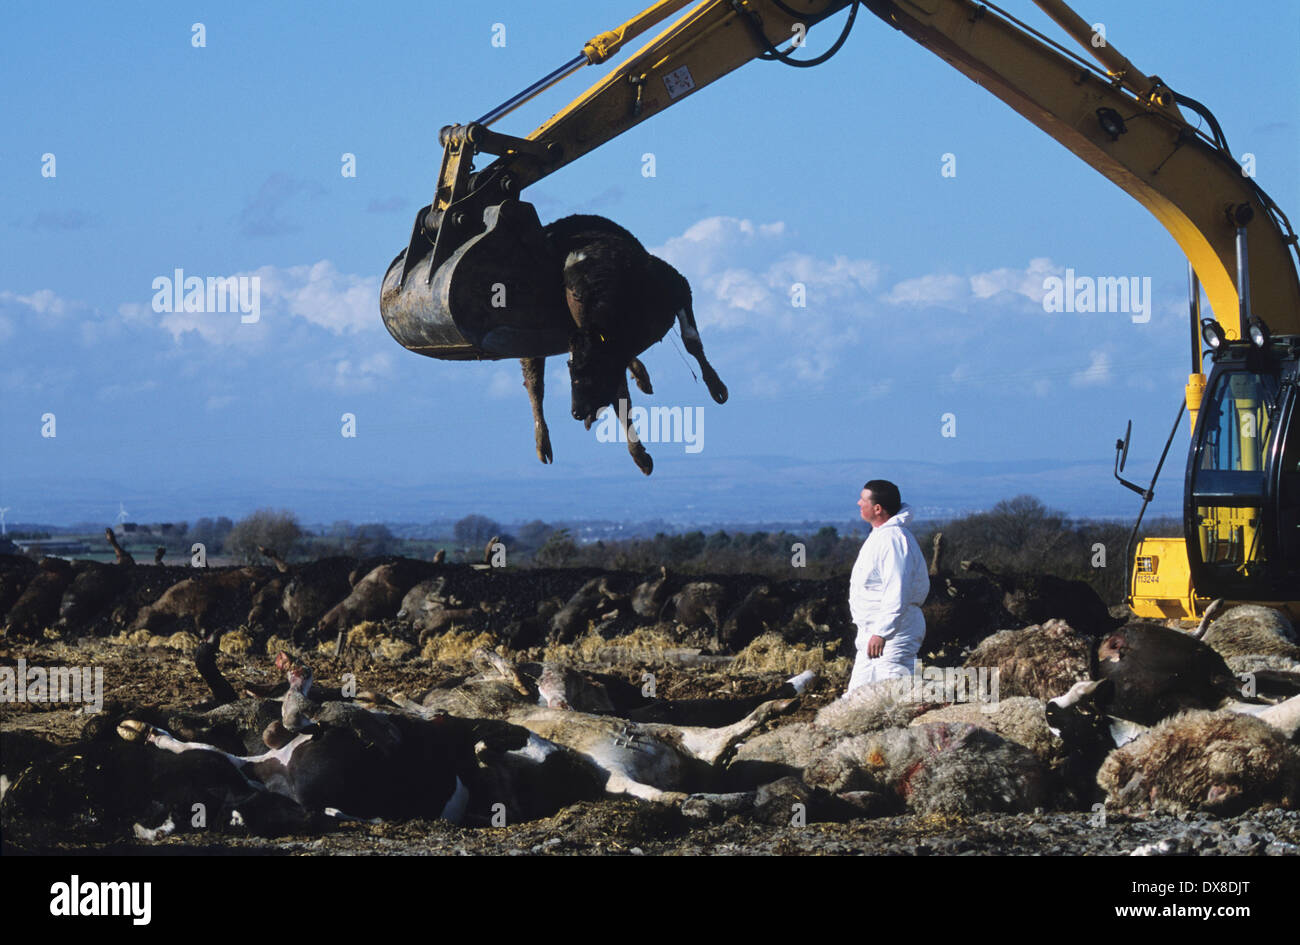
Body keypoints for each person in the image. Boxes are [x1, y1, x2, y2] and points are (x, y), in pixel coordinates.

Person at [845, 479, 929, 694]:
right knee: (858, 695)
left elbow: (897, 590)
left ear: (877, 508)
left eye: (863, 500)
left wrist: (883, 632)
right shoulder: (880, 536)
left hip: (894, 633)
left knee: (892, 695)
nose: (858, 503)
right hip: (873, 632)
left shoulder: (893, 539)